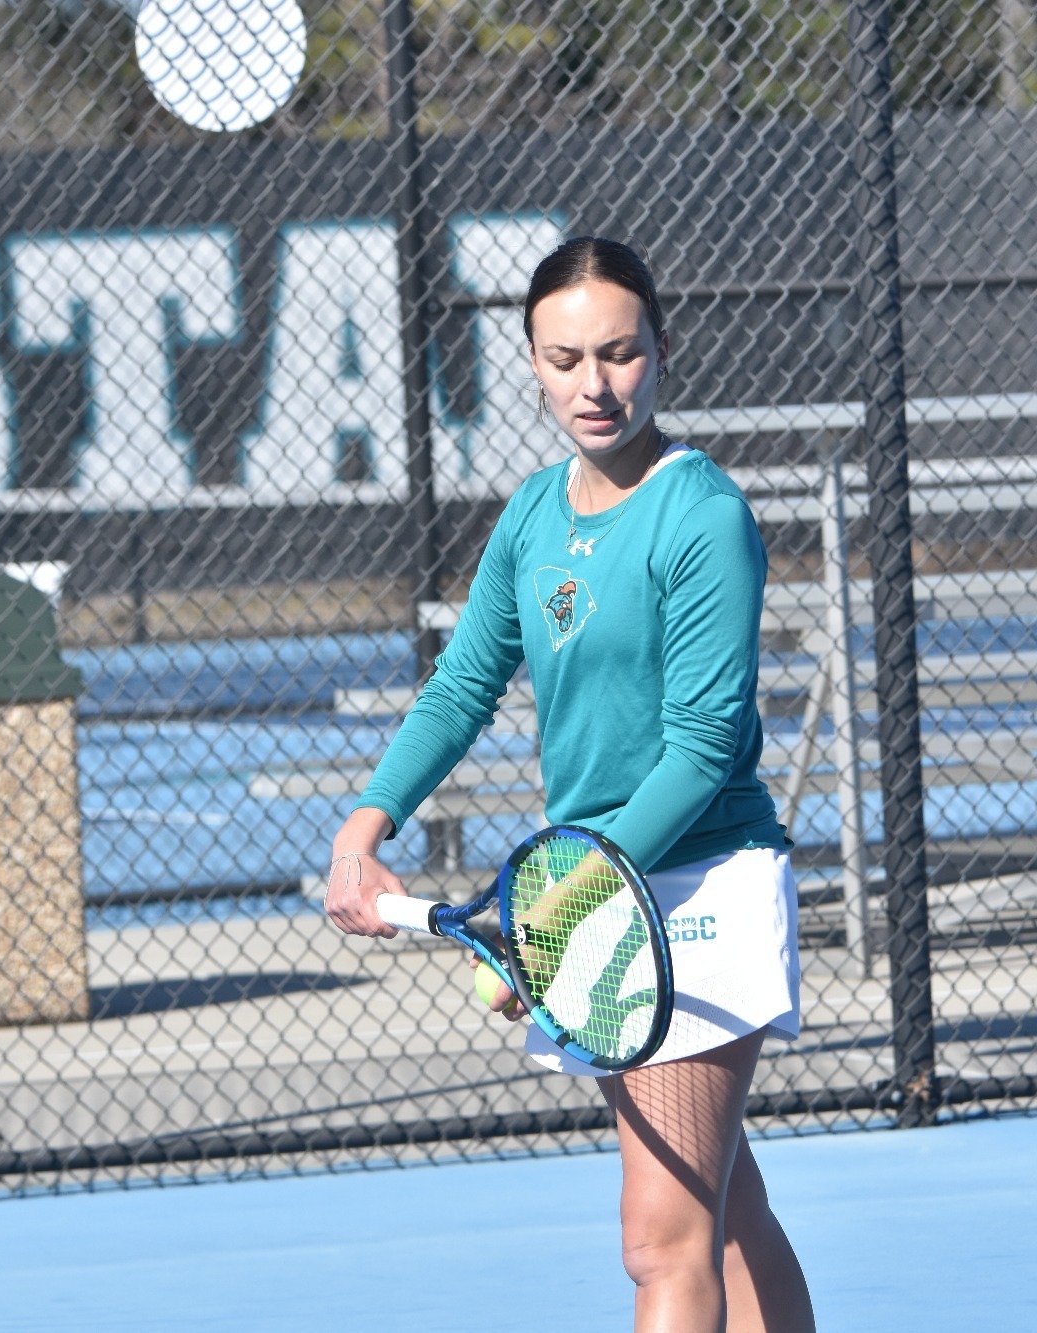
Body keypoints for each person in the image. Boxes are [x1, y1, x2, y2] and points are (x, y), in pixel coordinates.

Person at [324, 236, 816, 1332]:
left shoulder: (702, 517)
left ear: (660, 349)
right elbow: (459, 688)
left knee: (659, 1241)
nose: (593, 385)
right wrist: (364, 826)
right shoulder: (534, 516)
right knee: (722, 1211)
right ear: (532, 365)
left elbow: (699, 750)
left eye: (618, 352)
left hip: (695, 891)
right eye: (563, 359)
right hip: (589, 896)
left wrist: (560, 896)